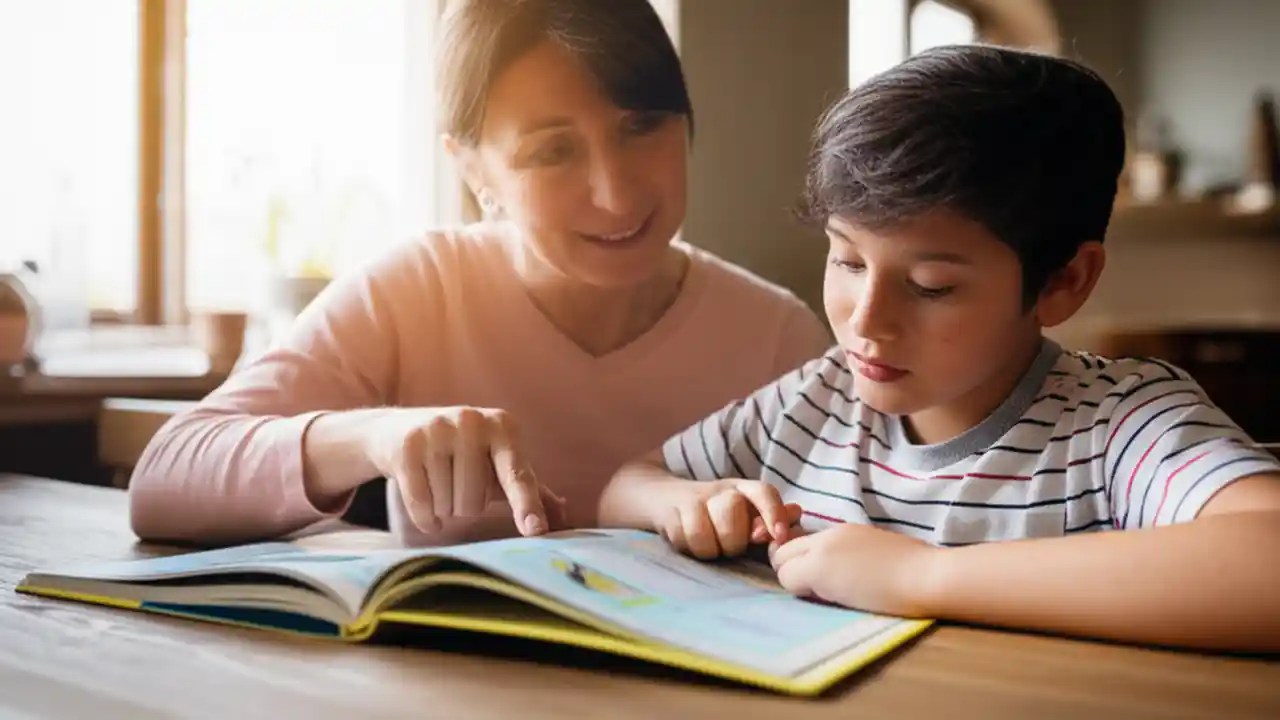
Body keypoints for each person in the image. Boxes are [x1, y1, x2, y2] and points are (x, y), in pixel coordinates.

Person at [597, 45, 1280, 652]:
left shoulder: (1114, 426)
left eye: (930, 287)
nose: (867, 321)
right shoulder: (816, 400)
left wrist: (923, 575)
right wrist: (680, 505)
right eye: (848, 261)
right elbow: (627, 485)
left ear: (1063, 281)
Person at [128, 0, 828, 546]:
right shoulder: (417, 290)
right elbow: (165, 477)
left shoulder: (776, 337)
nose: (615, 193)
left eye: (642, 127)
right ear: (471, 169)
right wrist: (374, 437)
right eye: (553, 153)